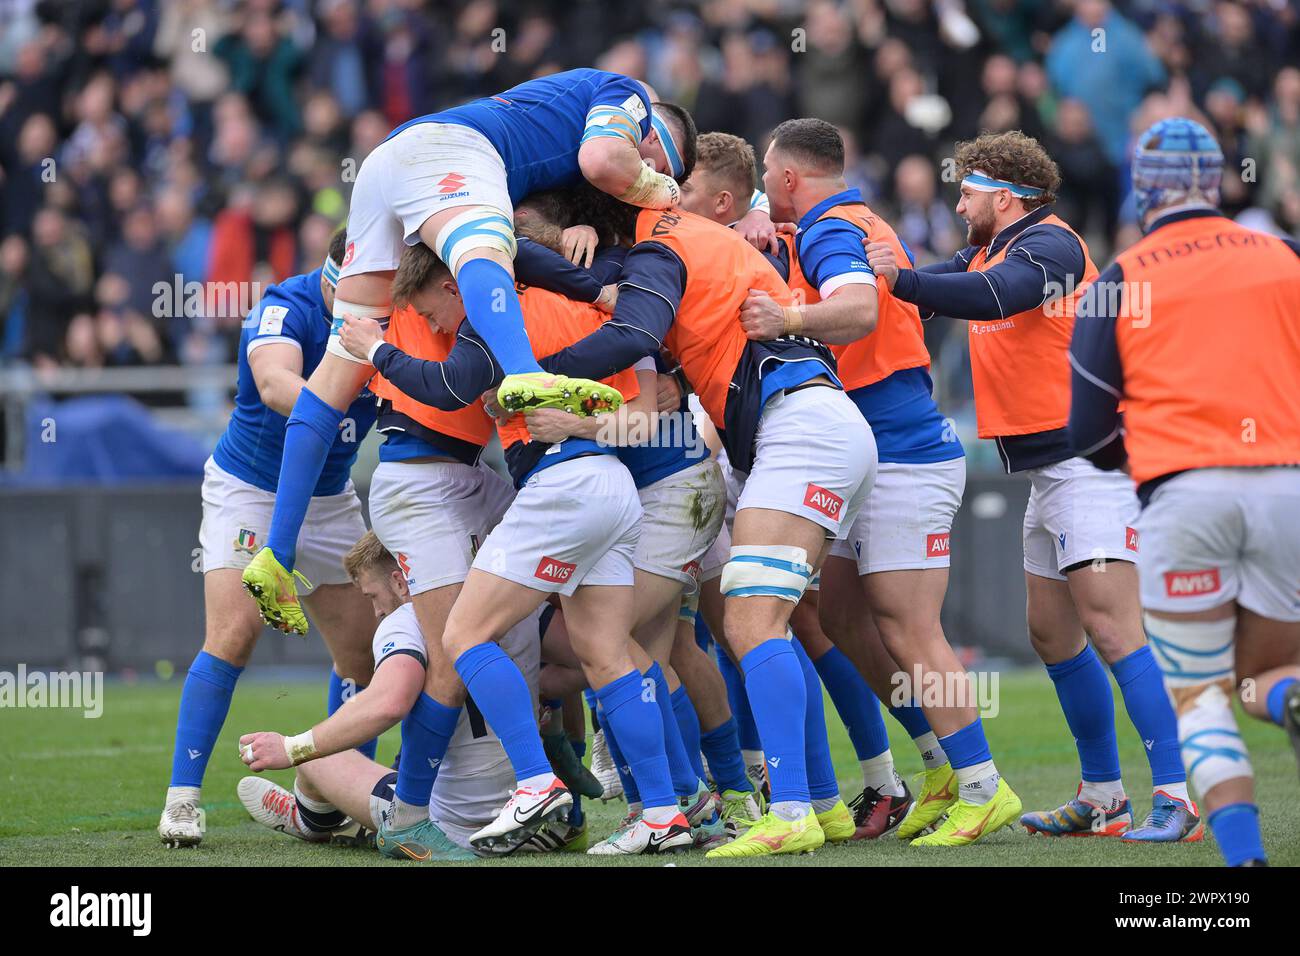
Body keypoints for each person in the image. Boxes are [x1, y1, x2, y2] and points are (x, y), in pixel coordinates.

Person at [240, 70, 697, 636]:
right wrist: (664, 192)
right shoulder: (624, 93)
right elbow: (606, 162)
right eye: (659, 164)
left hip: (388, 163)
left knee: (336, 371)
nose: (647, 178)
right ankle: (526, 375)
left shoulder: (558, 129)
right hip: (448, 152)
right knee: (486, 249)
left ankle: (277, 553)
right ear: (650, 137)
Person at [516, 198, 877, 858]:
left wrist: (556, 402)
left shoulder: (655, 268)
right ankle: (795, 802)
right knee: (706, 638)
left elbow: (649, 405)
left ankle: (736, 802)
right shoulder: (679, 263)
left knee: (715, 627)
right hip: (755, 451)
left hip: (728, 466)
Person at [866, 130, 1197, 842]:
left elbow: (991, 297)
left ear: (1007, 197)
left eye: (970, 191)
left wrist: (904, 280)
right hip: (1049, 469)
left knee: (1112, 627)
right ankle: (1104, 797)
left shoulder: (1048, 247)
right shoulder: (990, 249)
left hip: (1091, 460)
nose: (959, 202)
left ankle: (1177, 794)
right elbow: (936, 288)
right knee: (1052, 632)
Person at [341, 247, 692, 857]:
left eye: (438, 316)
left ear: (463, 283)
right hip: (614, 488)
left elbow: (446, 386)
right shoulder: (592, 310)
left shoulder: (494, 317)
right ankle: (664, 811)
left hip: (561, 487)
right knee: (608, 656)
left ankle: (534, 781)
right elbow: (642, 417)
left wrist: (374, 348)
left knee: (463, 637)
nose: (444, 330)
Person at [753, 118, 1016, 846]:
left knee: (909, 627)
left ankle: (982, 786)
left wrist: (788, 315)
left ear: (787, 177)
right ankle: (936, 762)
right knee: (836, 615)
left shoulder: (832, 228)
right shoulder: (841, 223)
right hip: (871, 452)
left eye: (765, 173)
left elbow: (862, 310)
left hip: (904, 451)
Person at [1069, 117, 1300, 866]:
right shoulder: (1285, 256)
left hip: (1185, 491)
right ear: (1221, 183)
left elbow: (1087, 426)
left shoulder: (1119, 279)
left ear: (1144, 192)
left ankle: (1246, 865)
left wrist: (1135, 462)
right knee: (1266, 675)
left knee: (1200, 695)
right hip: (1289, 486)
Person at [158, 232, 378, 849]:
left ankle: (337, 796)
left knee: (364, 655)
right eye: (352, 293)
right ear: (333, 277)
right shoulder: (286, 305)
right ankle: (181, 799)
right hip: (251, 488)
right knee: (233, 634)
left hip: (329, 497)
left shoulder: (388, 312)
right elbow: (277, 384)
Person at [236, 531, 542, 860]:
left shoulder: (406, 618)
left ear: (400, 581)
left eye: (372, 596)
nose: (377, 611)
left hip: (454, 825)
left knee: (315, 757)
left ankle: (312, 820)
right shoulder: (511, 607)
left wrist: (289, 747)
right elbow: (576, 668)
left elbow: (390, 701)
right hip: (529, 815)